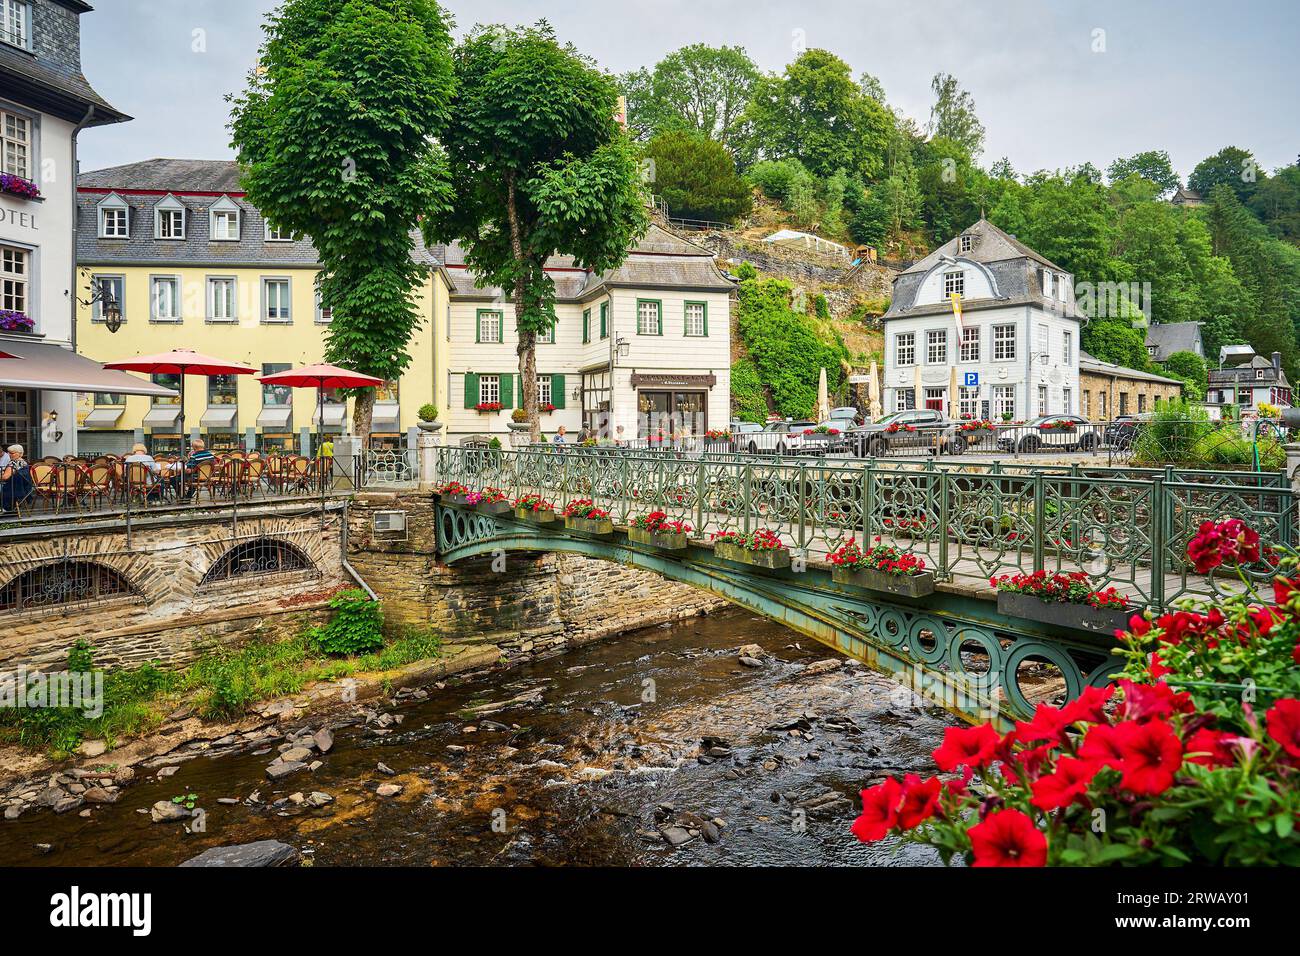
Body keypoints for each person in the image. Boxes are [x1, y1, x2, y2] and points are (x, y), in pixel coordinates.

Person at [1, 444, 33, 512]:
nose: (9, 454)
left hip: (13, 490)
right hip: (24, 489)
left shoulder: (14, 463)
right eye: (9, 453)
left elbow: (5, 477)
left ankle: (3, 508)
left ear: (20, 453)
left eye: (12, 453)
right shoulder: (23, 462)